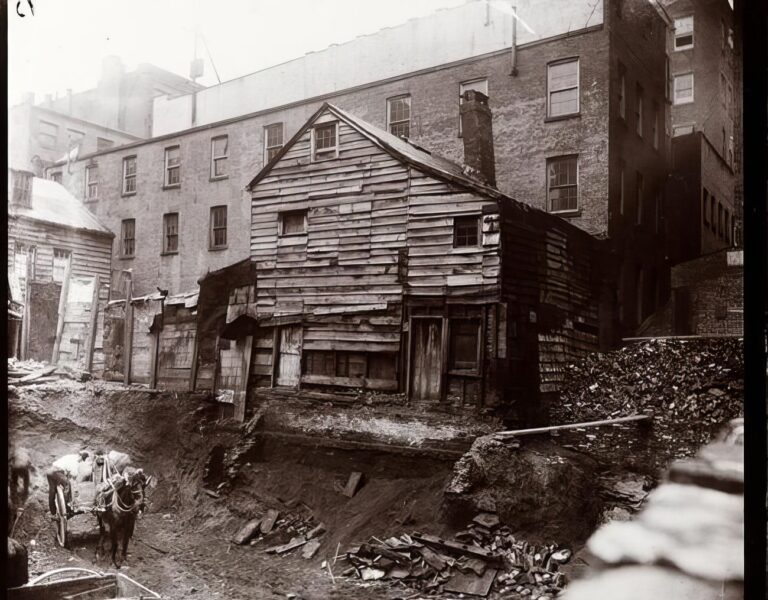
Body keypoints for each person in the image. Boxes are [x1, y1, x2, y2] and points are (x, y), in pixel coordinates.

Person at [46, 451, 93, 516]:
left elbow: (67, 469)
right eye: (82, 459)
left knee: (52, 491)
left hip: (50, 471)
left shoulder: (70, 456)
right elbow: (74, 474)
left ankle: (53, 511)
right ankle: (66, 507)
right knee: (67, 485)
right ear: (80, 457)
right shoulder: (75, 461)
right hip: (56, 471)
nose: (81, 461)